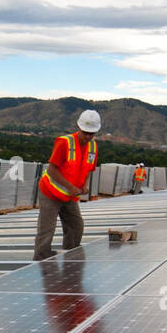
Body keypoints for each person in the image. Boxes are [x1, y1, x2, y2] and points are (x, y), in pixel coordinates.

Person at [32, 109, 101, 261]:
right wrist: (70, 187)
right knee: (46, 230)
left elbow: (89, 168)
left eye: (92, 133)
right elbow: (51, 170)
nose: (88, 136)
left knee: (76, 226)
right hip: (51, 192)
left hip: (70, 195)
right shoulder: (65, 143)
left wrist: (84, 184)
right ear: (79, 128)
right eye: (85, 133)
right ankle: (40, 262)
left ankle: (70, 258)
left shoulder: (93, 147)